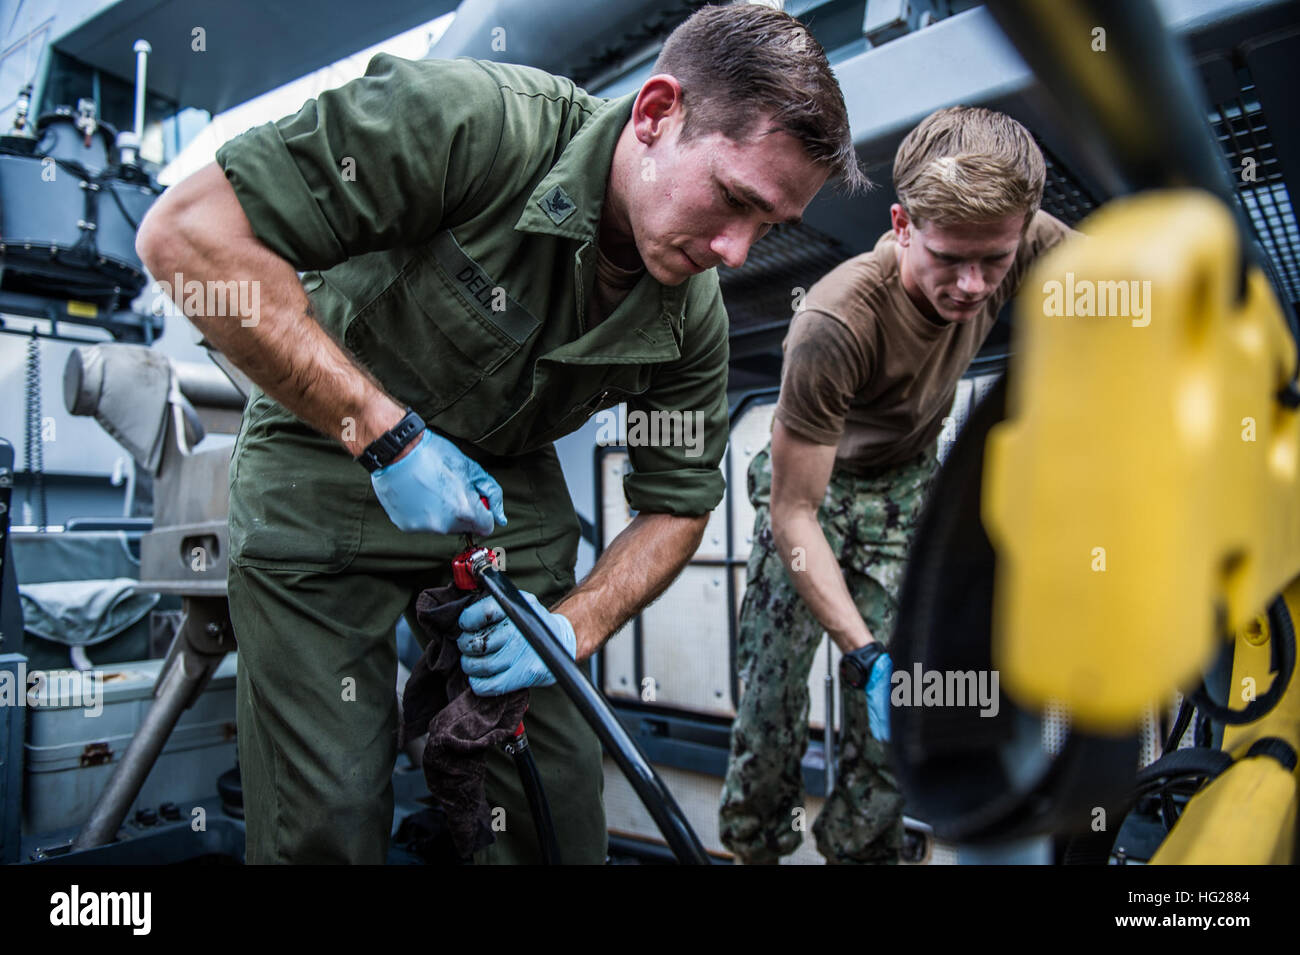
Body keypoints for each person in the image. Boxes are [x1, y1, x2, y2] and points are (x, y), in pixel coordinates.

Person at [136, 3, 865, 864]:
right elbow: (186, 237)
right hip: (324, 459)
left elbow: (677, 507)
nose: (738, 252)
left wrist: (572, 627)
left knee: (557, 815)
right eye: (734, 199)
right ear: (658, 112)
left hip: (503, 499)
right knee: (325, 822)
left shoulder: (689, 317)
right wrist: (385, 433)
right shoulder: (473, 122)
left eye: (768, 226)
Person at [719, 106, 1077, 864]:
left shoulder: (1027, 243)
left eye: (997, 259)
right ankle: (752, 850)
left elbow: (1132, 301)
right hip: (814, 502)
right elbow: (793, 513)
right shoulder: (836, 320)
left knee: (897, 732)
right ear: (903, 223)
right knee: (767, 705)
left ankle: (865, 854)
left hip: (906, 493)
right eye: (950, 258)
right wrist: (865, 654)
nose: (975, 286)